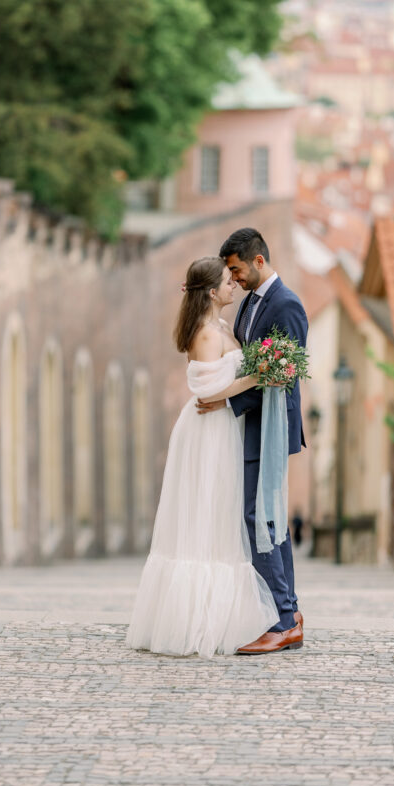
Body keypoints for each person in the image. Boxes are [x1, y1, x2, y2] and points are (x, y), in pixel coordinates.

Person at [126, 256, 279, 658]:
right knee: (205, 518)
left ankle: (216, 614)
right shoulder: (206, 334)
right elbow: (207, 391)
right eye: (228, 282)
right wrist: (259, 375)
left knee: (219, 517)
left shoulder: (220, 326)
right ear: (212, 292)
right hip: (207, 433)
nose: (234, 285)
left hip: (223, 428)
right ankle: (196, 622)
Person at [197, 228, 308, 655]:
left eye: (237, 269)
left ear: (258, 261)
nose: (234, 278)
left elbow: (283, 374)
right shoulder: (247, 305)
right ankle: (289, 614)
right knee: (268, 518)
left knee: (259, 518)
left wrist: (227, 399)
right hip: (249, 425)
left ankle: (281, 620)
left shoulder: (287, 304)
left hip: (270, 427)